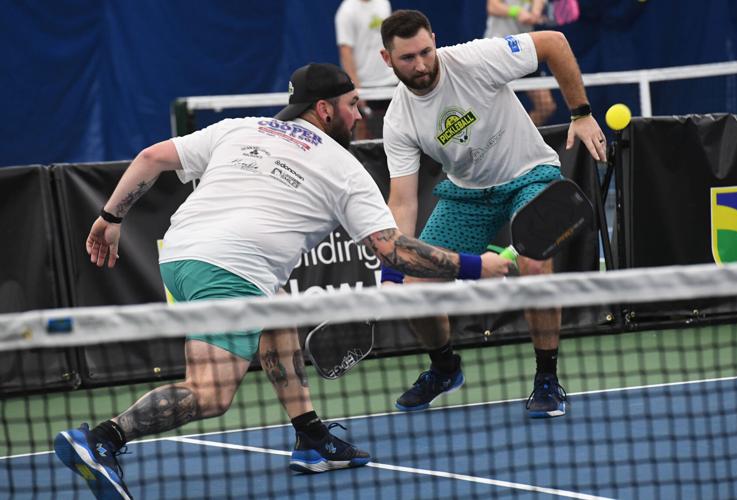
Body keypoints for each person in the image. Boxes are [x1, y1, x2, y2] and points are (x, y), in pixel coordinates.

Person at [53, 62, 514, 499]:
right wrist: (476, 267)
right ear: (325, 109)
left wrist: (111, 217)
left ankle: (311, 437)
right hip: (230, 268)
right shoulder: (344, 167)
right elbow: (392, 248)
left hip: (180, 255)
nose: (361, 113)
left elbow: (152, 156)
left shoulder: (241, 126)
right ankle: (102, 440)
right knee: (210, 393)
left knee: (276, 313)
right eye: (353, 104)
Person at [377, 10, 606, 417]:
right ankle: (445, 367)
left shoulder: (475, 58)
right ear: (387, 59)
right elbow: (404, 201)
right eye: (408, 58)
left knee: (535, 264)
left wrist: (581, 113)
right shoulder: (398, 119)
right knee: (414, 288)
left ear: (434, 39)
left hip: (527, 174)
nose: (422, 65)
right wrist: (395, 270)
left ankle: (547, 379)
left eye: (426, 52)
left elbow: (554, 42)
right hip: (466, 195)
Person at [485, 0, 557, 126]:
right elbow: (492, 6)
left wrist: (534, 14)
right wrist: (517, 12)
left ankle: (522, 136)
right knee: (495, 111)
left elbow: (537, 5)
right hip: (498, 51)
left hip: (523, 50)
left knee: (546, 105)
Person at [335, 0, 397, 139]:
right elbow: (345, 53)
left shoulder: (384, 3)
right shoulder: (346, 12)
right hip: (366, 88)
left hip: (392, 83)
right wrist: (356, 89)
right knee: (364, 139)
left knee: (397, 135)